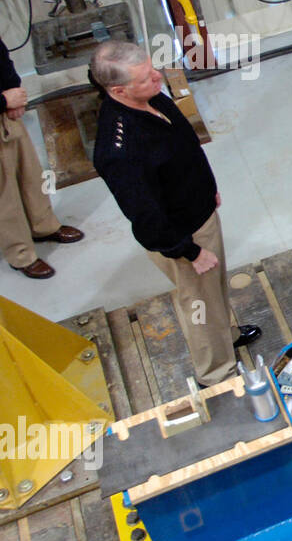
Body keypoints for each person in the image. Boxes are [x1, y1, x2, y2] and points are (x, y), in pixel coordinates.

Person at [90, 41, 260, 387]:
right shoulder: (119, 150)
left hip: (200, 214)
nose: (157, 77)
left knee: (213, 293)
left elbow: (185, 147)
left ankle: (225, 337)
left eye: (152, 68)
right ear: (118, 90)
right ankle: (216, 374)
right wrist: (190, 252)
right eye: (145, 78)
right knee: (199, 304)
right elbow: (146, 218)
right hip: (183, 236)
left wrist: (206, 187)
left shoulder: (151, 98)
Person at [1, 36, 83, 279]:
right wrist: (4, 100)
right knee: (4, 194)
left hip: (6, 112)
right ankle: (20, 253)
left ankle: (43, 226)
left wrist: (13, 91)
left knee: (29, 174)